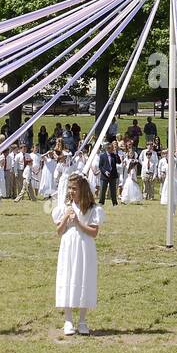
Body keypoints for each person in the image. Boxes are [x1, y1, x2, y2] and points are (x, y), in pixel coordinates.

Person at [53, 173, 103, 336]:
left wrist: (79, 223)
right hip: (68, 246)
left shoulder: (92, 210)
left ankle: (82, 320)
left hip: (84, 247)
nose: (71, 191)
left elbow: (94, 232)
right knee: (67, 278)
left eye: (74, 188)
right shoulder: (64, 208)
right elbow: (59, 231)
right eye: (69, 188)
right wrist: (67, 217)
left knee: (83, 279)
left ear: (82, 189)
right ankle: (68, 320)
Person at [97, 141, 120, 207]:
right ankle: (101, 202)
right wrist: (105, 172)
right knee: (103, 189)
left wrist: (116, 154)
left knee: (113, 190)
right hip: (104, 176)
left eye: (112, 148)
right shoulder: (102, 156)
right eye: (110, 148)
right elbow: (100, 166)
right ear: (107, 148)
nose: (112, 149)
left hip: (113, 175)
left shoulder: (114, 155)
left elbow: (119, 162)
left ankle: (114, 202)